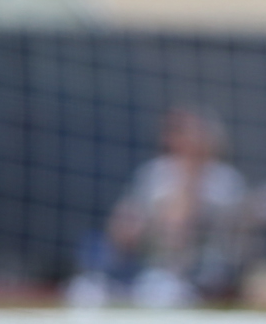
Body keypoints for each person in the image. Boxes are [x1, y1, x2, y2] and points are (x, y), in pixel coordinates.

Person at [69, 106, 251, 308]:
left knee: (161, 292)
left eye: (185, 131)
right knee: (85, 290)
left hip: (197, 278)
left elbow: (179, 235)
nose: (178, 139)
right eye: (173, 131)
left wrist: (191, 176)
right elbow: (121, 232)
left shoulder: (225, 180)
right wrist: (128, 228)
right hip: (144, 270)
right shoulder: (154, 172)